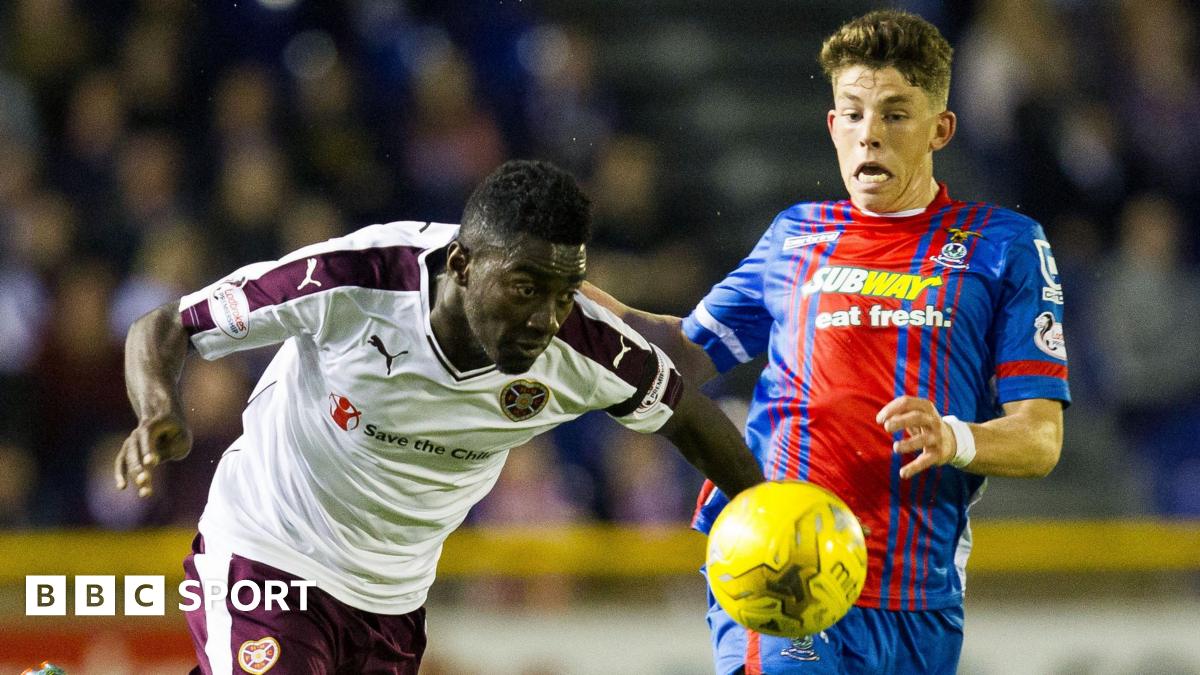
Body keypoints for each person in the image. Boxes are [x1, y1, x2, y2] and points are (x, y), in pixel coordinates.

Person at [115, 159, 764, 674]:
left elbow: (687, 414)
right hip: (267, 553)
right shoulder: (355, 279)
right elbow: (167, 323)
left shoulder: (585, 347)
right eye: (525, 287)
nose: (545, 318)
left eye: (566, 293)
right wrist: (157, 409)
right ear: (461, 265)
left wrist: (766, 513)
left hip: (391, 602)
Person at [584, 10, 1069, 674]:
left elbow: (1040, 438)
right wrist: (569, 302)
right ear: (833, 125)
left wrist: (953, 437)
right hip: (781, 567)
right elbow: (683, 351)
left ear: (941, 129)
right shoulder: (796, 236)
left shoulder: (1003, 246)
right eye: (854, 113)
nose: (871, 133)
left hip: (918, 597)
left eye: (896, 114)